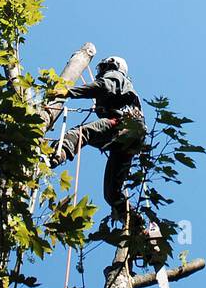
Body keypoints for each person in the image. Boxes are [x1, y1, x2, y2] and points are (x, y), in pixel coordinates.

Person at [49, 55, 145, 226]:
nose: (101, 72)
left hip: (123, 125)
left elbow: (103, 86)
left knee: (79, 133)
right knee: (112, 194)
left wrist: (69, 92)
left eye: (103, 68)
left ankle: (55, 154)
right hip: (129, 140)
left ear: (112, 66)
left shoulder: (115, 76)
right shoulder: (122, 89)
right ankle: (136, 225)